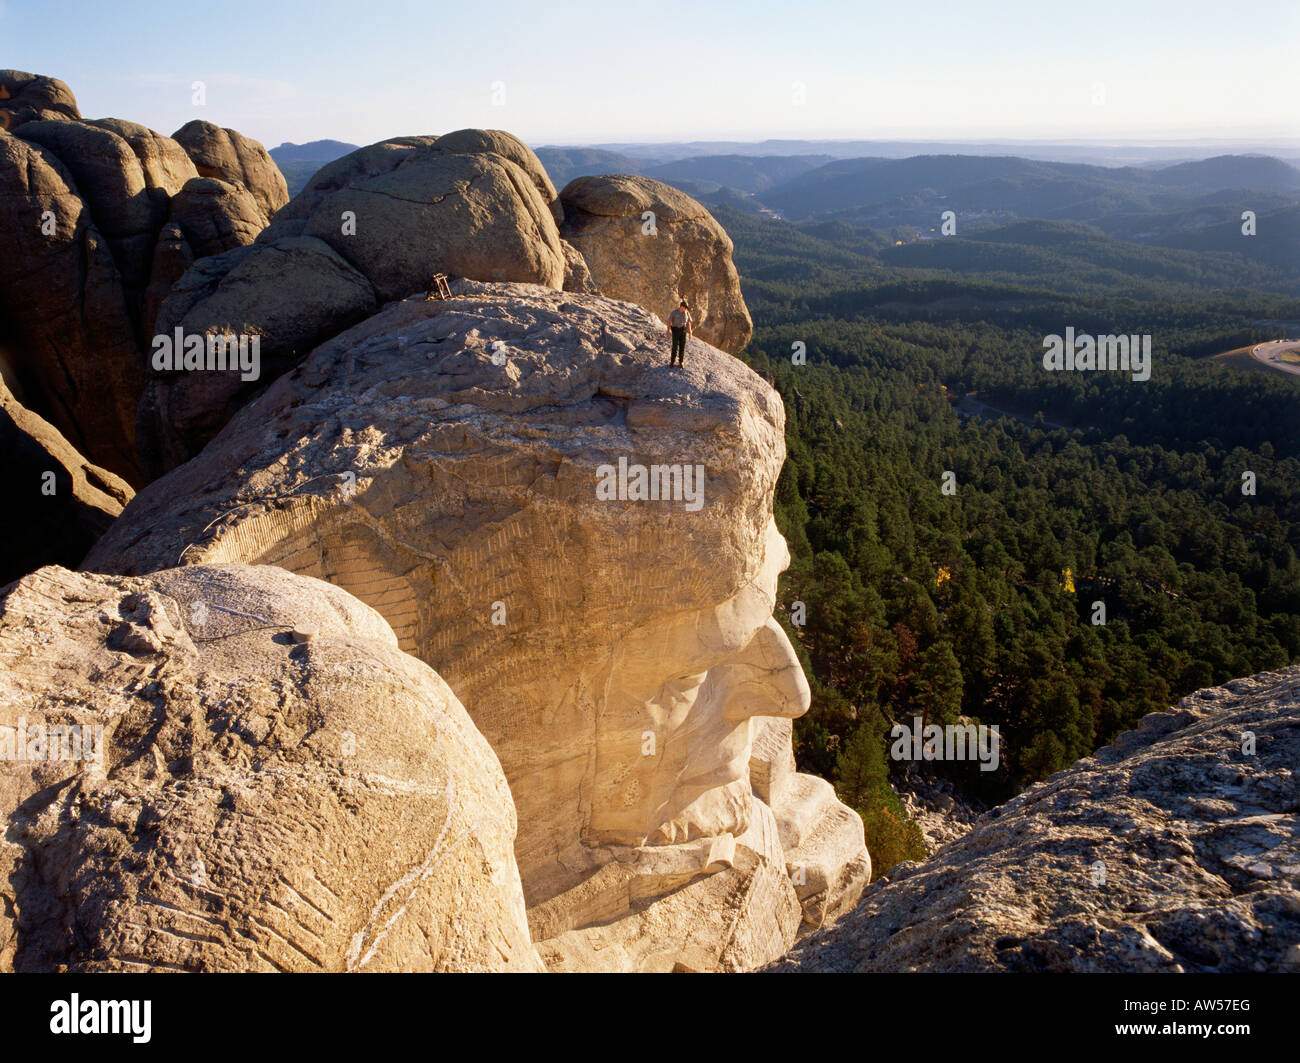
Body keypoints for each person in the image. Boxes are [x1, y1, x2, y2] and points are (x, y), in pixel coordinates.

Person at [667, 300, 692, 366]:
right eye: (685, 307)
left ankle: (681, 362)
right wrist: (668, 331)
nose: (686, 308)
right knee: (674, 346)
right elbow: (669, 321)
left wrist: (690, 332)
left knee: (682, 346)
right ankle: (672, 362)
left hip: (683, 331)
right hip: (675, 331)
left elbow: (689, 323)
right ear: (681, 306)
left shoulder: (686, 312)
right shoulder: (674, 312)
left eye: (686, 307)